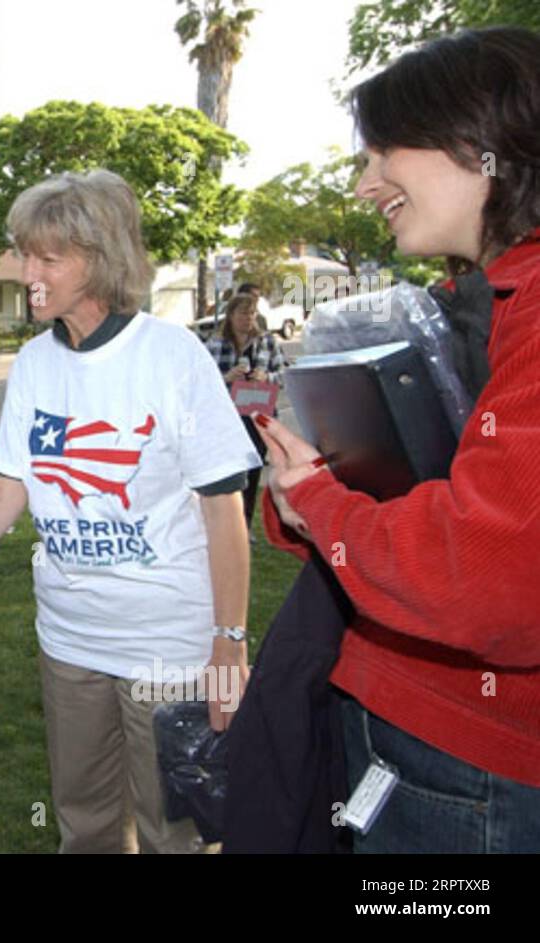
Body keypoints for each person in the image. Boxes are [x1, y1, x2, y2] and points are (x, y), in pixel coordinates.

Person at [0, 170, 261, 854]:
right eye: (22, 253)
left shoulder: (171, 356)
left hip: (169, 646)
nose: (26, 271)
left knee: (178, 836)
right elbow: (5, 493)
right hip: (69, 643)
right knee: (86, 828)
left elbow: (225, 514)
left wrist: (229, 644)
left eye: (48, 257)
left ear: (102, 260)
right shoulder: (38, 362)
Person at [256, 26, 540, 853]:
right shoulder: (480, 300)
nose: (362, 182)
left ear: (478, 139)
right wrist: (310, 488)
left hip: (472, 764)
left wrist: (314, 498)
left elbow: (486, 575)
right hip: (412, 726)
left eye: (384, 151)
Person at [205, 292, 286, 537]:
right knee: (230, 470)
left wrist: (267, 377)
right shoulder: (215, 344)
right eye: (243, 313)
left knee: (253, 469)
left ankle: (245, 526)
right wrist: (226, 378)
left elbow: (285, 374)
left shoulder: (267, 342)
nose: (248, 319)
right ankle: (226, 522)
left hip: (258, 415)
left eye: (252, 314)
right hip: (227, 417)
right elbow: (200, 382)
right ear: (230, 316)